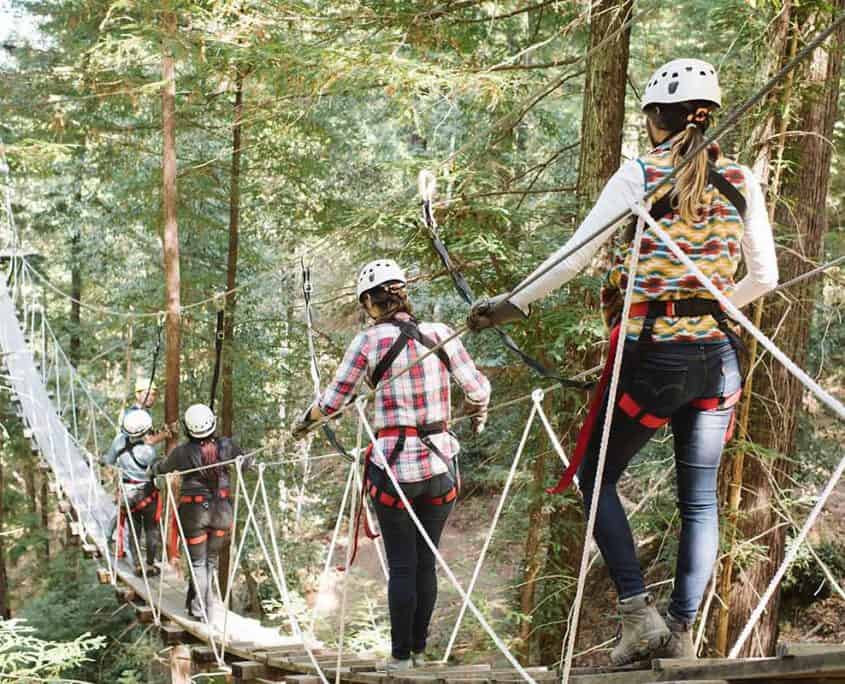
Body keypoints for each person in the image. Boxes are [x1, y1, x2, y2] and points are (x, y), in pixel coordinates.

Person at [467, 58, 778, 664]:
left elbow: (574, 257)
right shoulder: (741, 179)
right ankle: (682, 632)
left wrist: (510, 305)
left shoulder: (640, 175)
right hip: (717, 361)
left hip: (654, 356)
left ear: (659, 117)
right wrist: (711, 304)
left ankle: (638, 615)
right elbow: (764, 275)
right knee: (701, 500)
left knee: (596, 476)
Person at [293, 259, 491, 672]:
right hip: (440, 469)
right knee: (425, 562)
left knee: (402, 565)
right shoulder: (439, 333)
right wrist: (478, 412)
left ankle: (400, 659)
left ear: (369, 301)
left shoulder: (368, 343)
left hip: (394, 472)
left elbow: (332, 403)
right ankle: (418, 650)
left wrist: (303, 425)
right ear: (402, 293)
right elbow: (477, 388)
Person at [152, 404, 244, 624]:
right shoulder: (226, 446)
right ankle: (203, 606)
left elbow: (162, 468)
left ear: (187, 428)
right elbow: (247, 461)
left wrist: (153, 469)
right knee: (209, 561)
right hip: (222, 513)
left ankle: (200, 610)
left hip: (194, 514)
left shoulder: (182, 452)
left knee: (198, 563)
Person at [102, 408, 162, 577]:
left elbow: (109, 461)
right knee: (151, 529)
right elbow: (155, 470)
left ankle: (136, 563)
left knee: (135, 530)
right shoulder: (148, 451)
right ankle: (150, 564)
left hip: (128, 494)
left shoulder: (118, 441)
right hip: (147, 494)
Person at [123, 378, 171, 447]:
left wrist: (161, 431)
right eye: (147, 394)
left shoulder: (144, 413)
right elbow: (149, 441)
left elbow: (146, 434)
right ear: (137, 395)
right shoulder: (134, 415)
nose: (151, 397)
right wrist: (165, 433)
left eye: (153, 394)